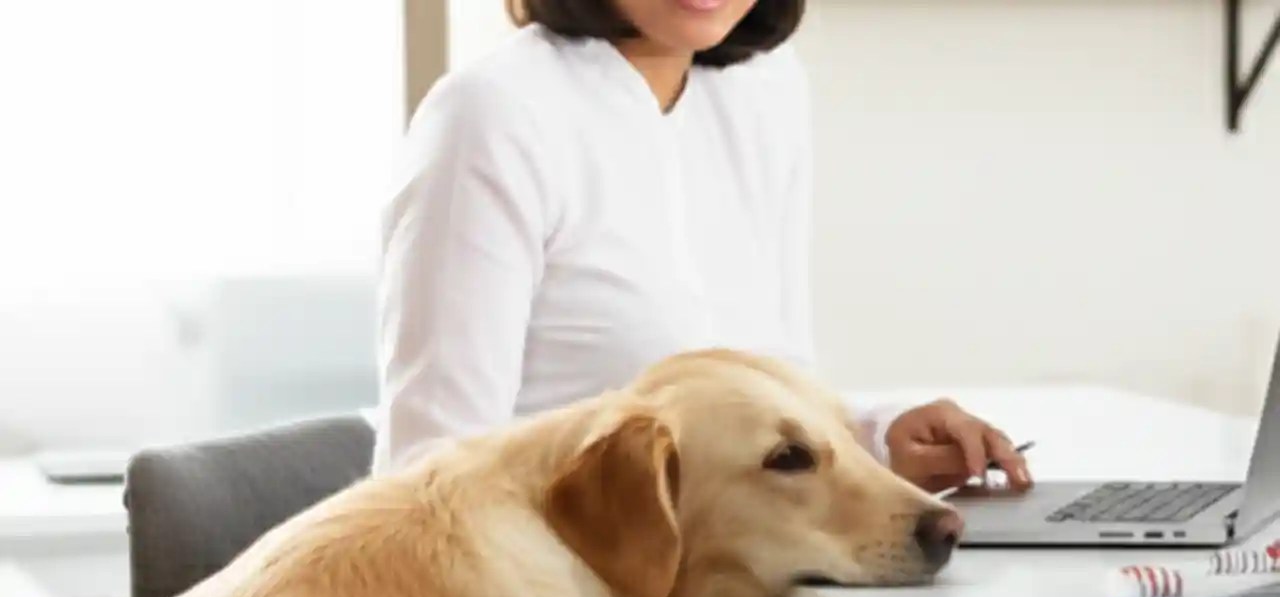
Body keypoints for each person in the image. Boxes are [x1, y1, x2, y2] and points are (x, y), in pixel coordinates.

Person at [372, 0, 1033, 496]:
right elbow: (429, 484)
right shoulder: (494, 113)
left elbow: (774, 383)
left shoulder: (762, 89)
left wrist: (876, 440)